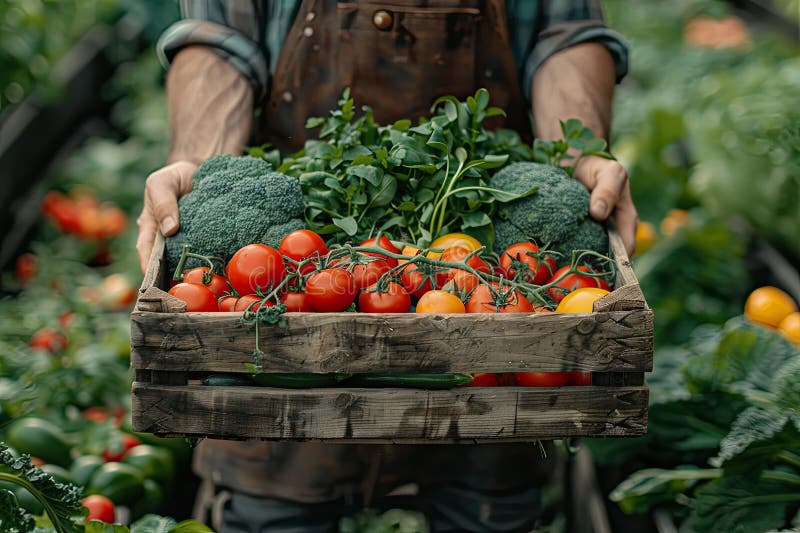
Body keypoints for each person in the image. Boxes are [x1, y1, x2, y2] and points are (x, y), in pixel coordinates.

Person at [136, 1, 636, 531]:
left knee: (488, 504)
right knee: (275, 508)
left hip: (484, 342)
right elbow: (220, 36)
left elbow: (563, 31)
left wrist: (574, 151)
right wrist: (200, 161)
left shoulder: (487, 275)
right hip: (288, 320)